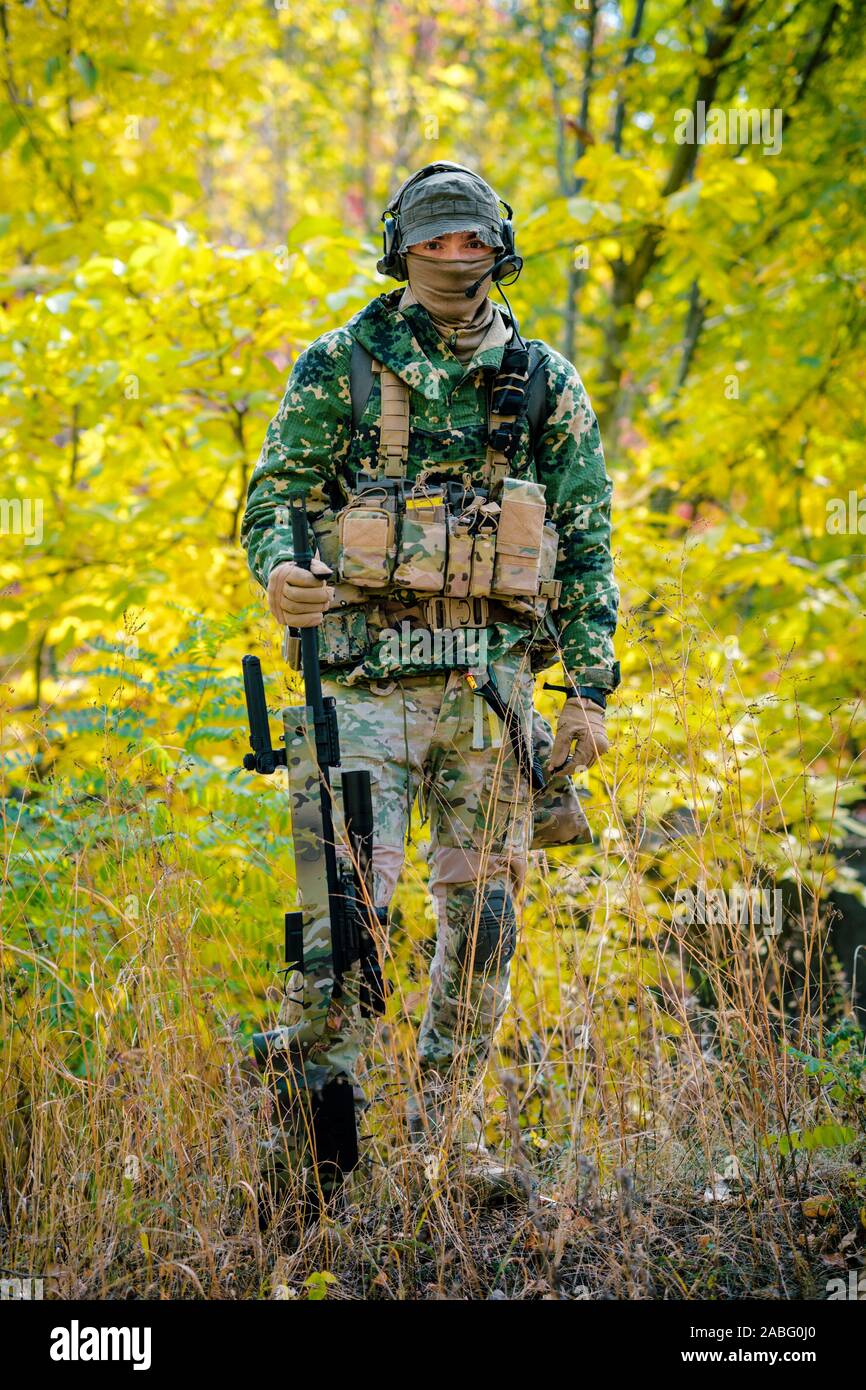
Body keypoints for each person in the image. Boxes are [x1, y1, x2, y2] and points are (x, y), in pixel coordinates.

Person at [241, 161, 619, 1207]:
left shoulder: (543, 382)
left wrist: (586, 690)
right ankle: (310, 1165)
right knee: (344, 927)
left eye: (470, 242)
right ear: (401, 249)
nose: (455, 258)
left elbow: (586, 544)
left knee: (486, 926)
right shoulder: (339, 366)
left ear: (499, 246)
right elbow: (274, 496)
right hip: (359, 694)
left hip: (489, 699)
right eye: (434, 241)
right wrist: (281, 569)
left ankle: (444, 1151)